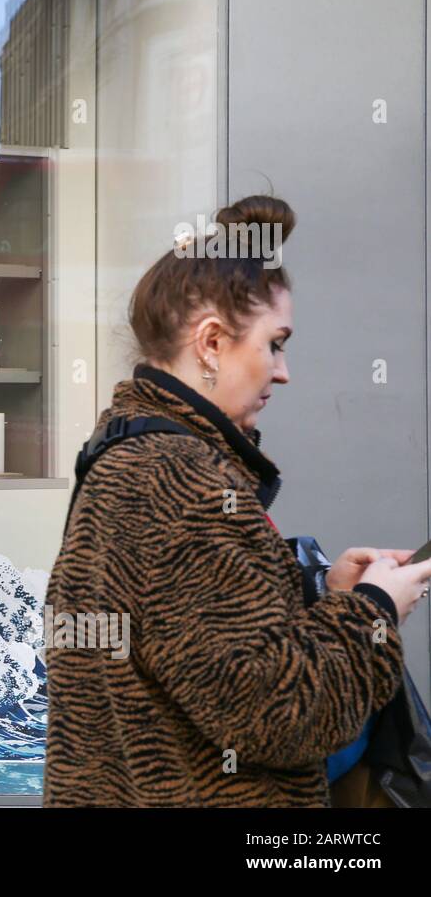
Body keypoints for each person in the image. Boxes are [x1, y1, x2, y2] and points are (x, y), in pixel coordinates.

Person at [44, 195, 431, 807]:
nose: (284, 372)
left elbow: (190, 652)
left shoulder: (126, 453)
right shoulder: (184, 481)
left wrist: (323, 597)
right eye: (275, 344)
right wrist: (373, 612)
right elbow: (281, 714)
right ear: (212, 343)